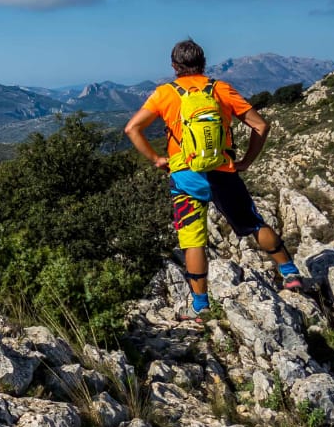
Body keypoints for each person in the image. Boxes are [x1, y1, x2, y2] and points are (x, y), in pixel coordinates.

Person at [124, 39, 305, 319]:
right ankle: (289, 272)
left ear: (174, 66)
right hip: (223, 171)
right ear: (204, 62)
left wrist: (157, 159)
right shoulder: (220, 89)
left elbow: (132, 129)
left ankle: (200, 305)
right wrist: (246, 160)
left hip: (185, 176)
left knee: (192, 239)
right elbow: (260, 125)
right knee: (253, 222)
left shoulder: (165, 94)